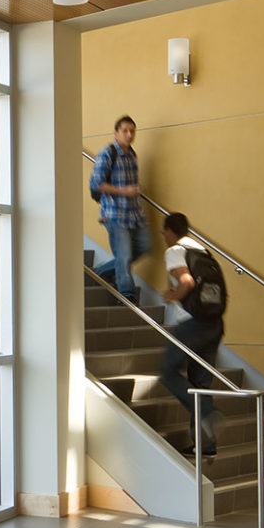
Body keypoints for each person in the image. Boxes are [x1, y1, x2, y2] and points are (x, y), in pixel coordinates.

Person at [160, 212, 224, 457]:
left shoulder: (175, 251)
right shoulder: (203, 251)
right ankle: (205, 446)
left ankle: (207, 413)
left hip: (193, 323)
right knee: (200, 384)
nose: (163, 236)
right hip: (214, 323)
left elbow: (186, 282)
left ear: (169, 231)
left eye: (164, 232)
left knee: (167, 371)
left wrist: (171, 295)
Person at [89, 115, 151, 305]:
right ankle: (127, 295)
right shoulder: (107, 154)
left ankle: (100, 272)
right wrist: (123, 191)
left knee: (144, 246)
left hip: (134, 214)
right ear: (116, 133)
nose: (129, 134)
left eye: (132, 131)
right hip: (114, 214)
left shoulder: (132, 155)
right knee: (123, 255)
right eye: (125, 131)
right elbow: (96, 183)